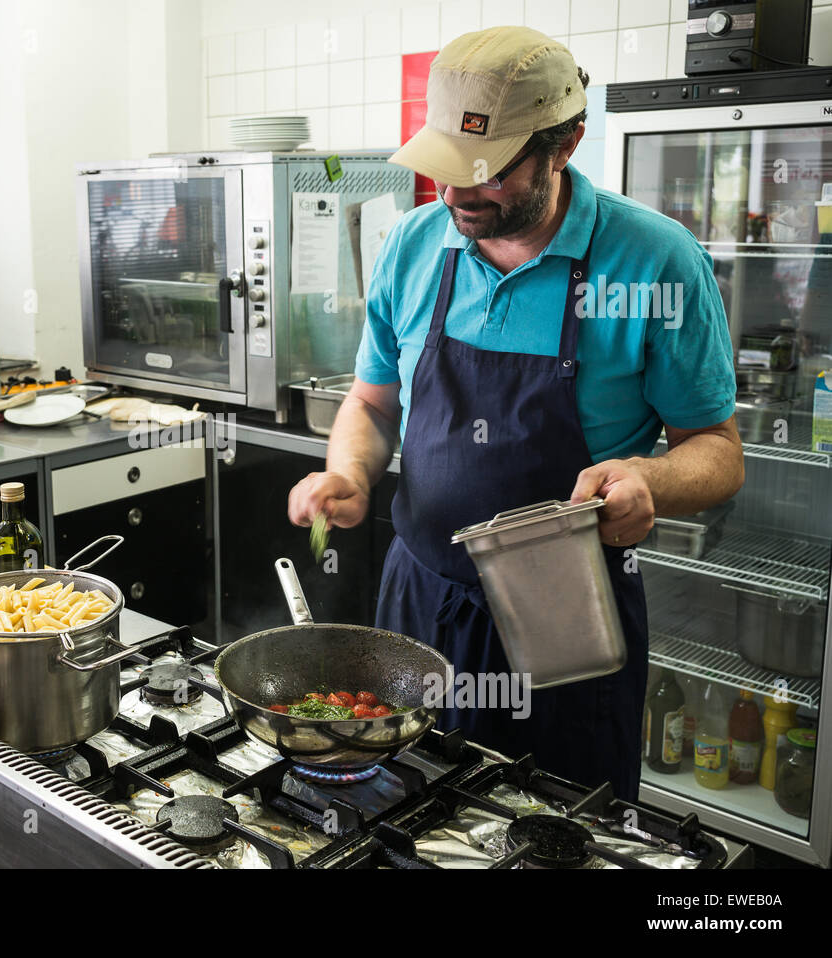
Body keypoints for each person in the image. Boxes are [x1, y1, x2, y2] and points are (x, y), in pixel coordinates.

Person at [286, 26, 743, 800]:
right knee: (401, 810)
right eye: (443, 171)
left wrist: (648, 480)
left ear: (565, 144)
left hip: (564, 622)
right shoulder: (412, 246)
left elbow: (718, 448)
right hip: (418, 600)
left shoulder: (655, 263)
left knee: (556, 827)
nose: (458, 195)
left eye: (488, 174)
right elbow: (370, 400)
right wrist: (349, 470)